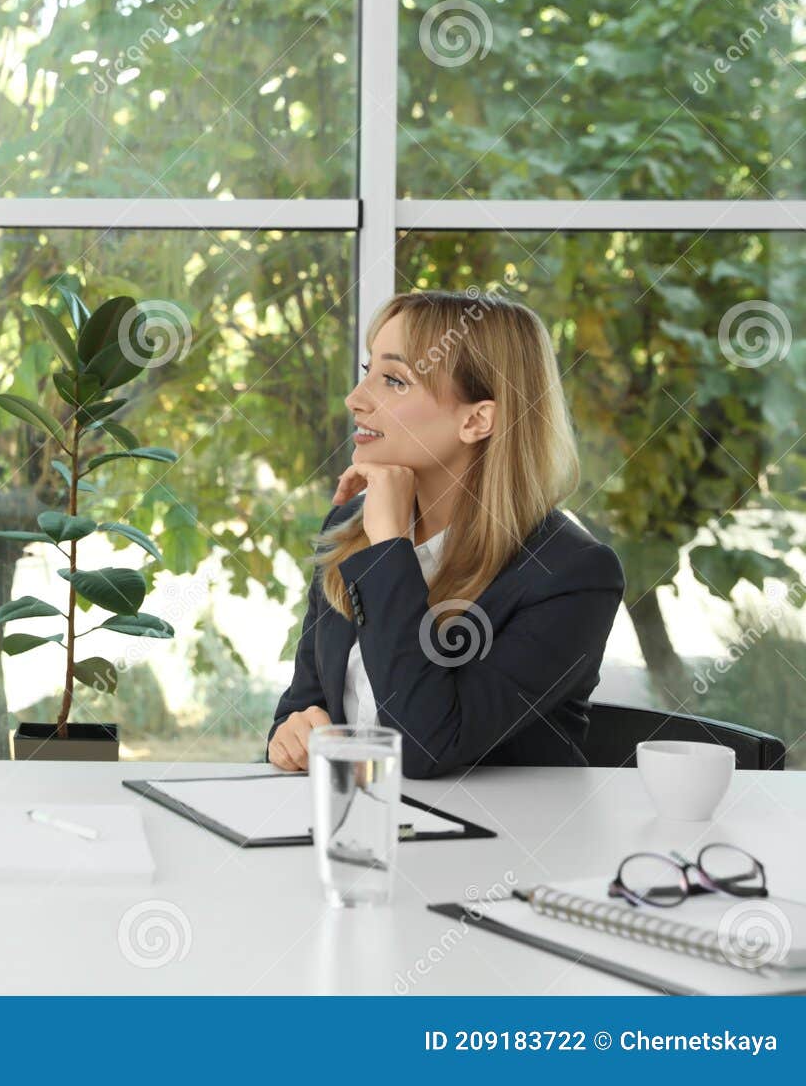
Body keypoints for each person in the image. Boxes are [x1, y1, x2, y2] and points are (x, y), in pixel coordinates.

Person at [266, 290, 624, 780]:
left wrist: (391, 546)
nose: (356, 400)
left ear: (477, 419)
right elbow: (303, 706)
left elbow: (424, 748)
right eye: (366, 372)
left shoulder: (571, 575)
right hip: (362, 828)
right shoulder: (351, 528)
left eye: (393, 380)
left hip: (498, 847)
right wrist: (292, 734)